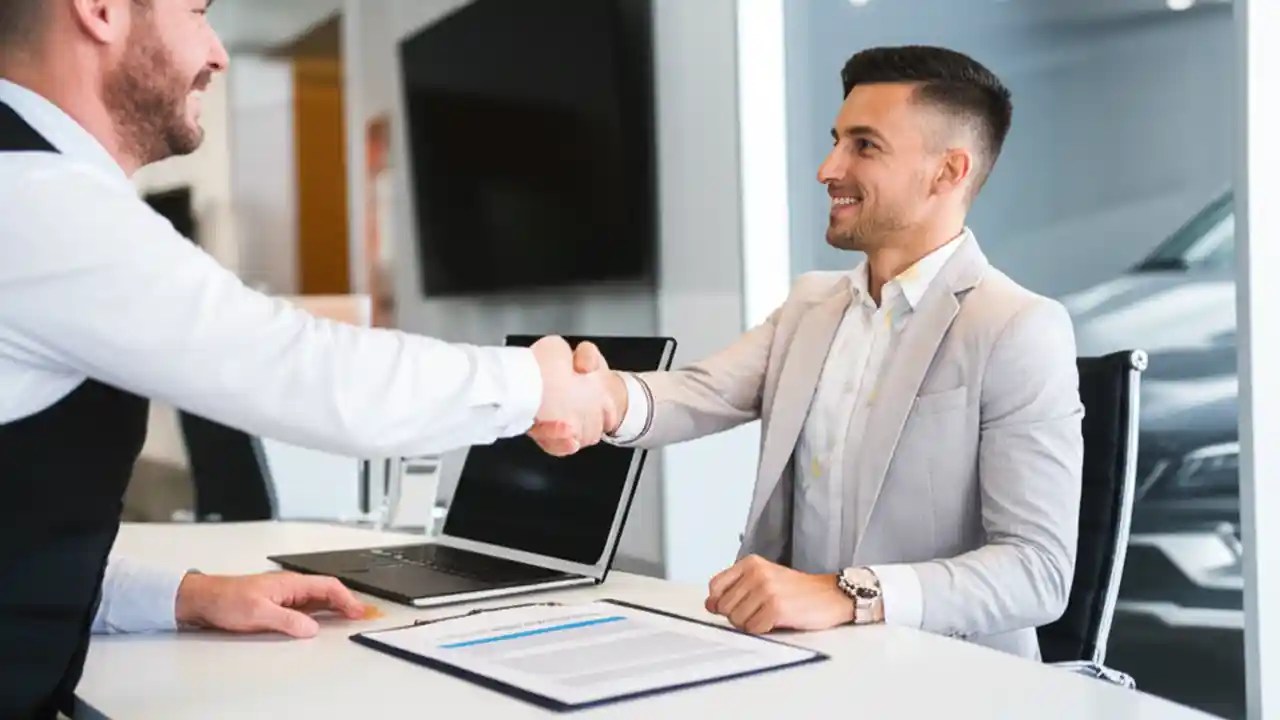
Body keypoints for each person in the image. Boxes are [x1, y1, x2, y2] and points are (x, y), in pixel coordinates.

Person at [0, 0, 616, 716]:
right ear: (100, 9)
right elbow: (307, 370)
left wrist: (184, 594)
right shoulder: (37, 199)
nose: (218, 52)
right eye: (197, 11)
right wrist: (533, 386)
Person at [542, 45, 1084, 660]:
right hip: (797, 661)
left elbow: (1037, 570)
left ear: (948, 172)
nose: (828, 167)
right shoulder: (812, 303)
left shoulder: (1019, 327)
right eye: (836, 140)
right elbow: (700, 391)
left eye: (864, 145)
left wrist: (848, 594)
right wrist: (604, 398)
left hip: (945, 679)